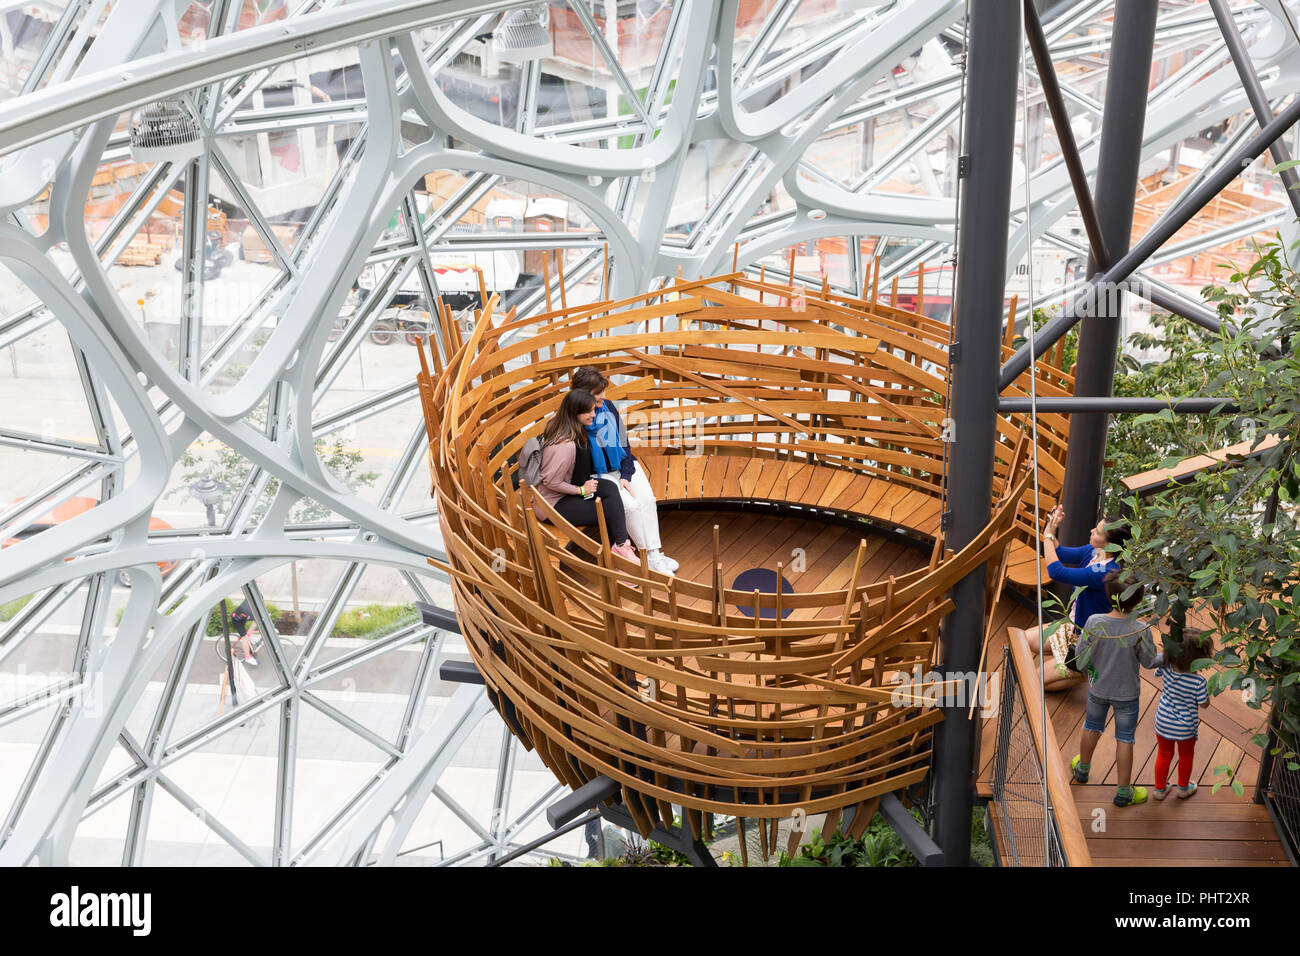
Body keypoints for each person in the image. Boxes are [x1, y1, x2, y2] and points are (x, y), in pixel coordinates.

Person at [571, 366, 678, 576]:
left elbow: (624, 443)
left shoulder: (608, 407)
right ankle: (645, 555)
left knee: (647, 499)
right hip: (600, 475)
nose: (603, 396)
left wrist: (626, 475)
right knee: (630, 506)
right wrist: (612, 481)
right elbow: (582, 467)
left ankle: (655, 554)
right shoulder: (576, 423)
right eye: (598, 393)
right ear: (583, 396)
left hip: (623, 464)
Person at [1069, 569, 1160, 807]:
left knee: (1091, 727)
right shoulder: (1142, 629)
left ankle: (1083, 770)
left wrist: (1092, 669)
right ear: (1138, 599)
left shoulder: (1094, 622)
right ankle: (1123, 793)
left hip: (1097, 688)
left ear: (1108, 596)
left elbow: (1080, 659)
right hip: (1127, 694)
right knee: (1125, 738)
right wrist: (1168, 657)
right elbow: (1149, 662)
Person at [1026, 506, 1132, 690]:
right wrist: (1051, 527)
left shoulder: (1108, 572)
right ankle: (1069, 663)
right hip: (1074, 627)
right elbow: (1061, 552)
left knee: (1036, 680)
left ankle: (1090, 669)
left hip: (1089, 644)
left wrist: (1047, 536)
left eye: (1097, 532)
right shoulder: (1095, 552)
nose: (1092, 531)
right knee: (1024, 640)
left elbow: (1056, 571)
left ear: (1109, 544)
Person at [534, 389, 636, 561]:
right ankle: (620, 560)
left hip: (566, 491)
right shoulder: (565, 445)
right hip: (552, 504)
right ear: (575, 413)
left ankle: (619, 546)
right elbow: (550, 481)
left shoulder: (568, 425)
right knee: (609, 510)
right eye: (589, 411)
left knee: (610, 487)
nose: (593, 415)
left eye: (593, 410)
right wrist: (581, 490)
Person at [1151, 627, 1212, 800]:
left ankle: (1159, 790)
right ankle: (1183, 788)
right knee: (1185, 756)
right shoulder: (1198, 681)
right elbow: (1204, 704)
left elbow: (1157, 673)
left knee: (1163, 754)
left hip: (1162, 721)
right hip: (1185, 728)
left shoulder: (1166, 667)